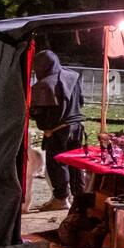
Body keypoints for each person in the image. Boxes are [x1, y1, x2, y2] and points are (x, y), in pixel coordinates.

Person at [29, 50, 85, 212]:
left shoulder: (45, 86)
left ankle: (61, 199)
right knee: (75, 164)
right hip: (76, 127)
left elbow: (38, 112)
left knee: (57, 164)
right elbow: (80, 101)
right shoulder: (73, 77)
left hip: (58, 131)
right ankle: (79, 199)